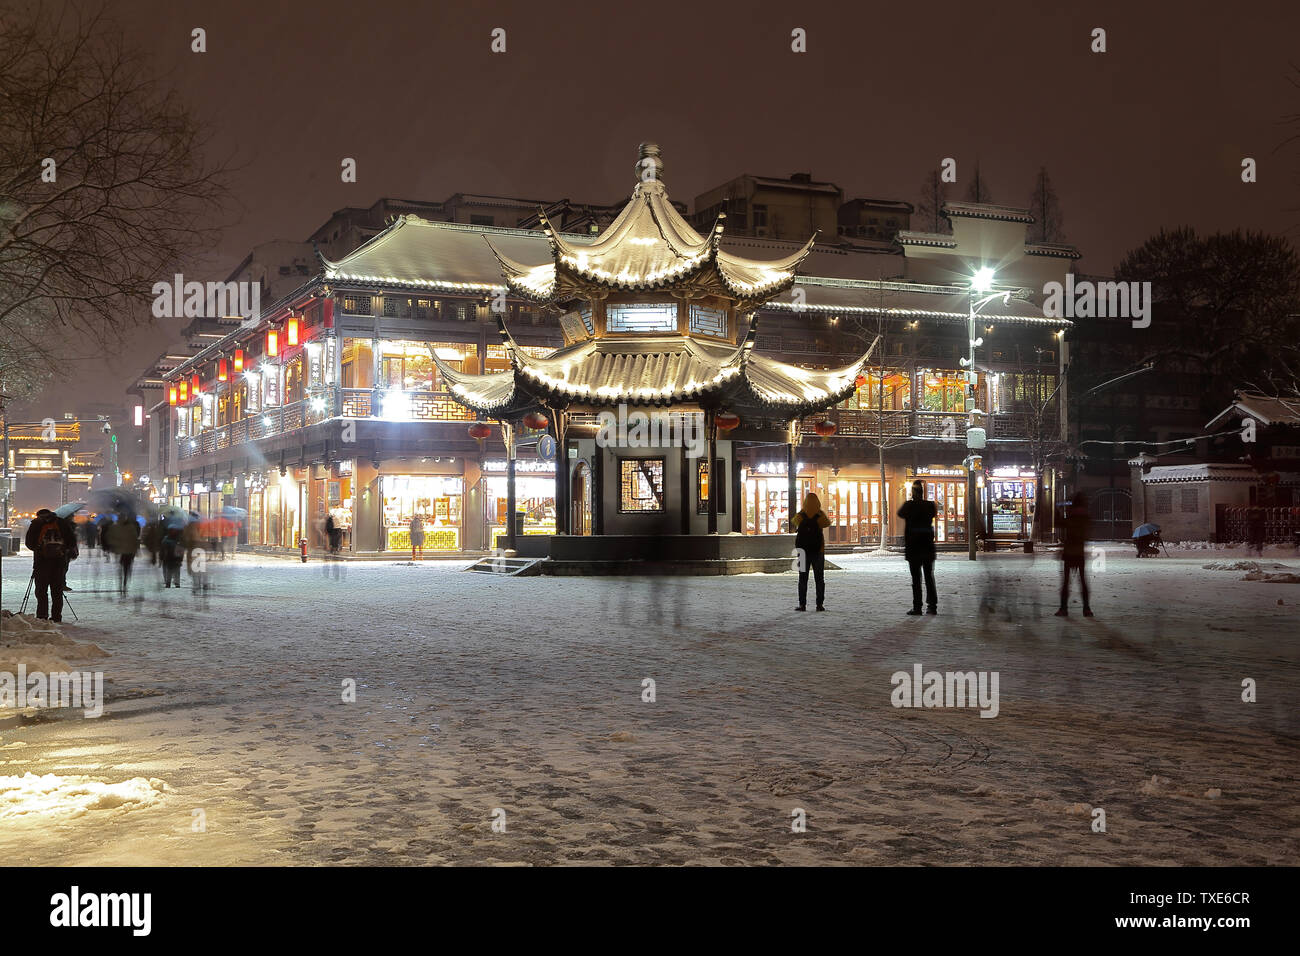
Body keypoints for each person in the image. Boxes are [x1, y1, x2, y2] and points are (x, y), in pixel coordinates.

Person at [23, 508, 78, 622]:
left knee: (41, 591)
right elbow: (72, 541)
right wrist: (63, 550)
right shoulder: (62, 523)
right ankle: (57, 617)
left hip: (41, 562)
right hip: (59, 562)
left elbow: (29, 543)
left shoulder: (36, 523)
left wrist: (38, 550)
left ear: (38, 515)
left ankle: (42, 616)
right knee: (57, 591)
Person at [898, 480, 938, 615]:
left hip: (914, 547)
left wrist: (911, 500)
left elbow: (900, 513)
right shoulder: (930, 505)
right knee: (929, 577)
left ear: (913, 492)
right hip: (927, 546)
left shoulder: (909, 505)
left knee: (916, 579)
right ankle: (932, 606)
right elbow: (933, 514)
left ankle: (917, 607)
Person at [792, 492, 831, 611]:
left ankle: (802, 604)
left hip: (803, 552)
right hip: (818, 551)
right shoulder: (820, 516)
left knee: (803, 578)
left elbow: (794, 522)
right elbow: (828, 523)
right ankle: (819, 604)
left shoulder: (800, 515)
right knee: (819, 579)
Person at [1056, 492, 1093, 617]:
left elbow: (1059, 524)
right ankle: (1086, 608)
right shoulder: (1085, 518)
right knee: (1083, 581)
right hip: (1080, 553)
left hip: (1069, 552)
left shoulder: (1070, 517)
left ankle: (1063, 608)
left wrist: (1060, 511)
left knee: (1066, 582)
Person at [104, 511, 141, 596]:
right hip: (126, 551)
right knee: (125, 569)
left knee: (122, 569)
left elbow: (109, 538)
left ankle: (122, 585)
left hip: (122, 551)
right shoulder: (128, 527)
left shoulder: (116, 527)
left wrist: (114, 545)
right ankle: (123, 585)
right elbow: (135, 539)